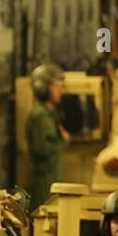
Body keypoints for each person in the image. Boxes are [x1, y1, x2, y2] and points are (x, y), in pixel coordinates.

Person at [24, 63, 68, 212]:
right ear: (44, 89)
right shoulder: (41, 116)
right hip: (43, 181)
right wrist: (64, 140)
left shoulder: (49, 114)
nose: (61, 90)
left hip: (50, 177)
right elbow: (43, 149)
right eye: (57, 86)